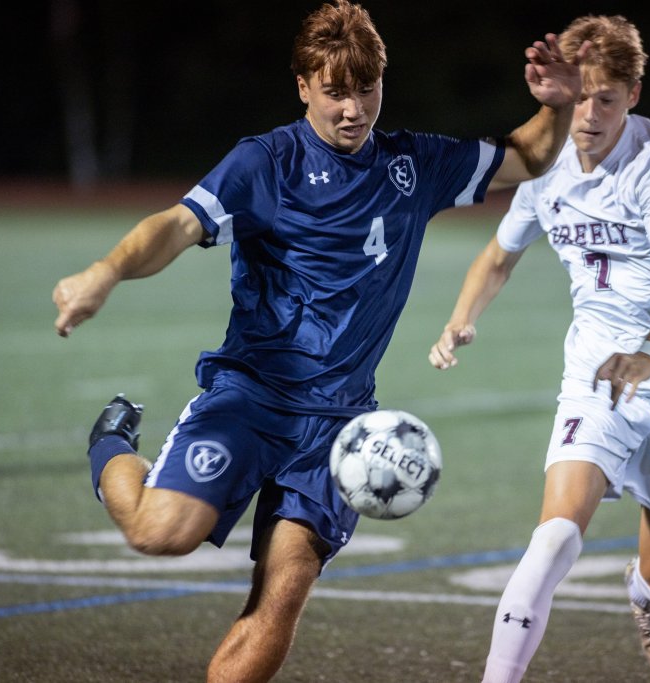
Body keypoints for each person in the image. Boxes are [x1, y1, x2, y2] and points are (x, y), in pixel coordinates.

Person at [51, 2, 587, 681]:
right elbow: (177, 225)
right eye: (335, 91)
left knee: (283, 589)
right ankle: (110, 446)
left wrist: (559, 105)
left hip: (340, 427)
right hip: (251, 395)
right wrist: (107, 271)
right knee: (160, 532)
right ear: (303, 85)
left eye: (366, 88)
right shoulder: (264, 162)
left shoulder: (414, 163)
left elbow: (529, 157)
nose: (353, 107)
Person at [429, 14, 650, 682]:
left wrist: (649, 353)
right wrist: (460, 319)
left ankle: (648, 599)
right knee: (553, 536)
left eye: (607, 98)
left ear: (633, 95)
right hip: (598, 370)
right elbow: (498, 255)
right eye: (579, 97)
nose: (590, 114)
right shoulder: (545, 166)